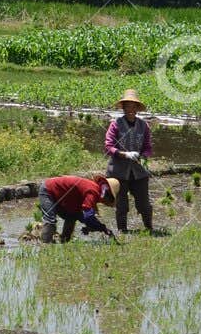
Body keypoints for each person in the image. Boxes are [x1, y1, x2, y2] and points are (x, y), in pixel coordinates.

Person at [104, 88, 154, 233]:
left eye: (133, 106)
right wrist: (124, 154)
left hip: (139, 172)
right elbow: (108, 146)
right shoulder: (115, 124)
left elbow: (148, 147)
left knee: (144, 203)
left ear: (137, 108)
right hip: (119, 172)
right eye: (128, 106)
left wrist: (143, 156)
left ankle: (149, 228)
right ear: (123, 108)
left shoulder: (144, 126)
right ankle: (122, 231)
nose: (131, 109)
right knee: (121, 204)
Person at [37, 173, 119, 243]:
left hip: (59, 193)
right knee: (50, 219)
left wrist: (93, 227)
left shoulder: (94, 189)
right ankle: (45, 246)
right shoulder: (94, 191)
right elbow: (88, 216)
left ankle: (64, 241)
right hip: (48, 190)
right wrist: (103, 228)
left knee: (71, 216)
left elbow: (81, 215)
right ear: (107, 196)